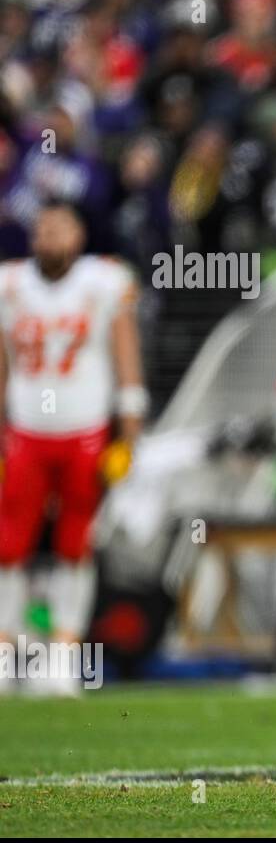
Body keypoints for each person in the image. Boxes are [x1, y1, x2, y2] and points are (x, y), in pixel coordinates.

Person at [0, 202, 146, 695]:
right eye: (41, 227)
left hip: (84, 428)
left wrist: (130, 423)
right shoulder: (10, 283)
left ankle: (60, 655)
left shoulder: (102, 282)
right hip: (25, 430)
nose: (48, 236)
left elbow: (124, 350)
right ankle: (6, 653)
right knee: (9, 544)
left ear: (80, 235)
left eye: (59, 226)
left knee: (76, 544)